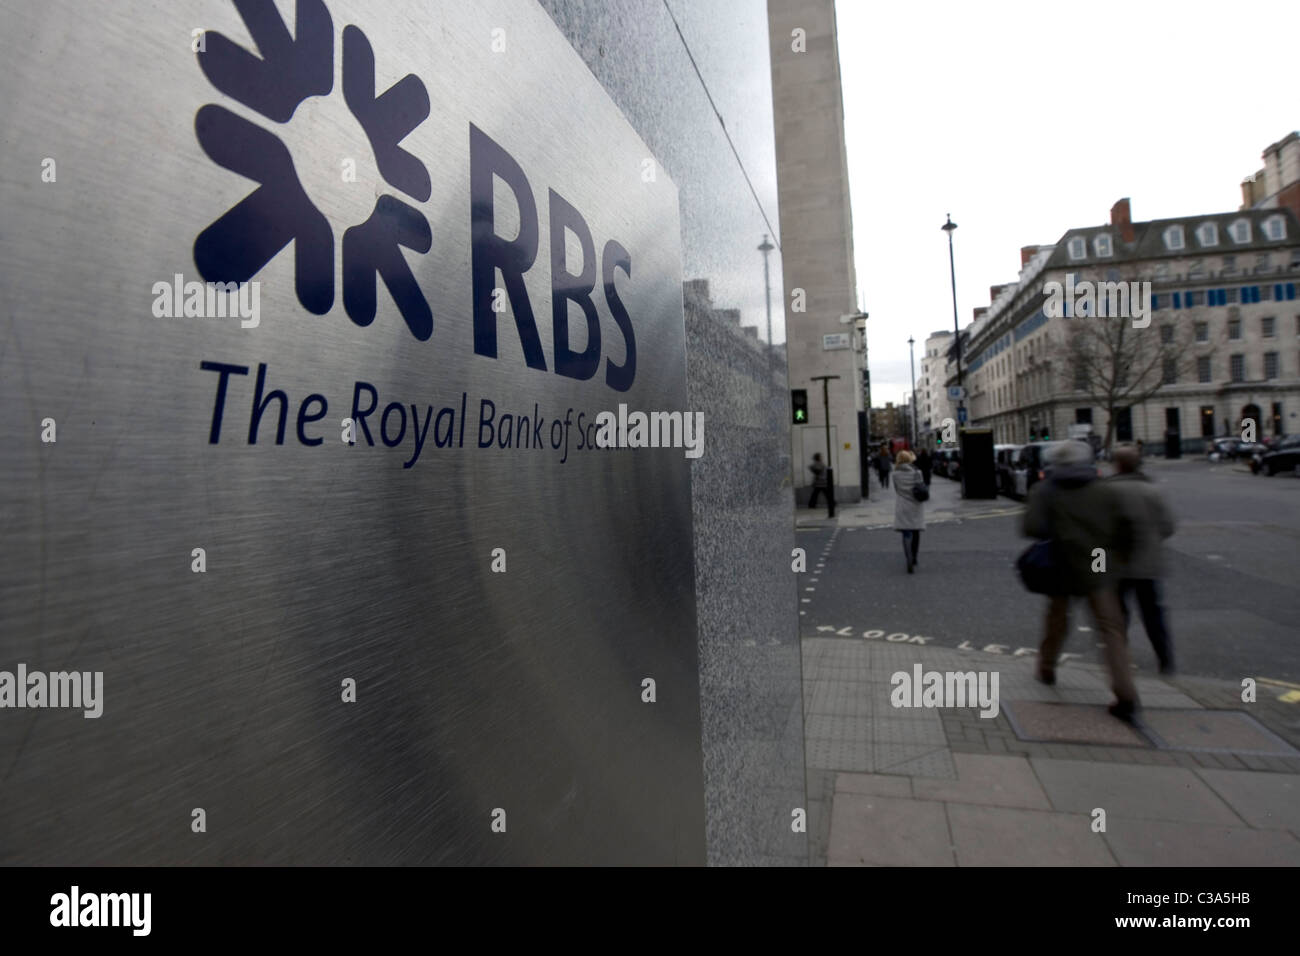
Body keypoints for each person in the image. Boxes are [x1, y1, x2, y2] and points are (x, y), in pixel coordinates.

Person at [1022, 440, 1141, 722]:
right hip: (1099, 562)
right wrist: (1118, 559)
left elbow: (1032, 527)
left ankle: (1047, 668)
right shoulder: (1103, 489)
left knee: (1057, 619)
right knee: (1110, 629)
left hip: (1062, 562)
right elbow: (1126, 528)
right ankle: (1125, 692)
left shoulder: (1046, 490)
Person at [1109, 443, 1177, 674]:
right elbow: (1168, 527)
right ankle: (1165, 660)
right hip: (1148, 565)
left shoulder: (1107, 492)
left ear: (1117, 465)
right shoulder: (1152, 490)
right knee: (1153, 614)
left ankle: (1120, 661)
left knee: (1118, 616)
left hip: (1117, 566)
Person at [892, 450, 926, 573]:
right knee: (916, 531)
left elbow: (896, 490)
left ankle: (908, 557)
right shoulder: (917, 472)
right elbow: (921, 487)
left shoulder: (895, 474)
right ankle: (915, 557)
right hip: (916, 505)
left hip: (902, 505)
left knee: (906, 532)